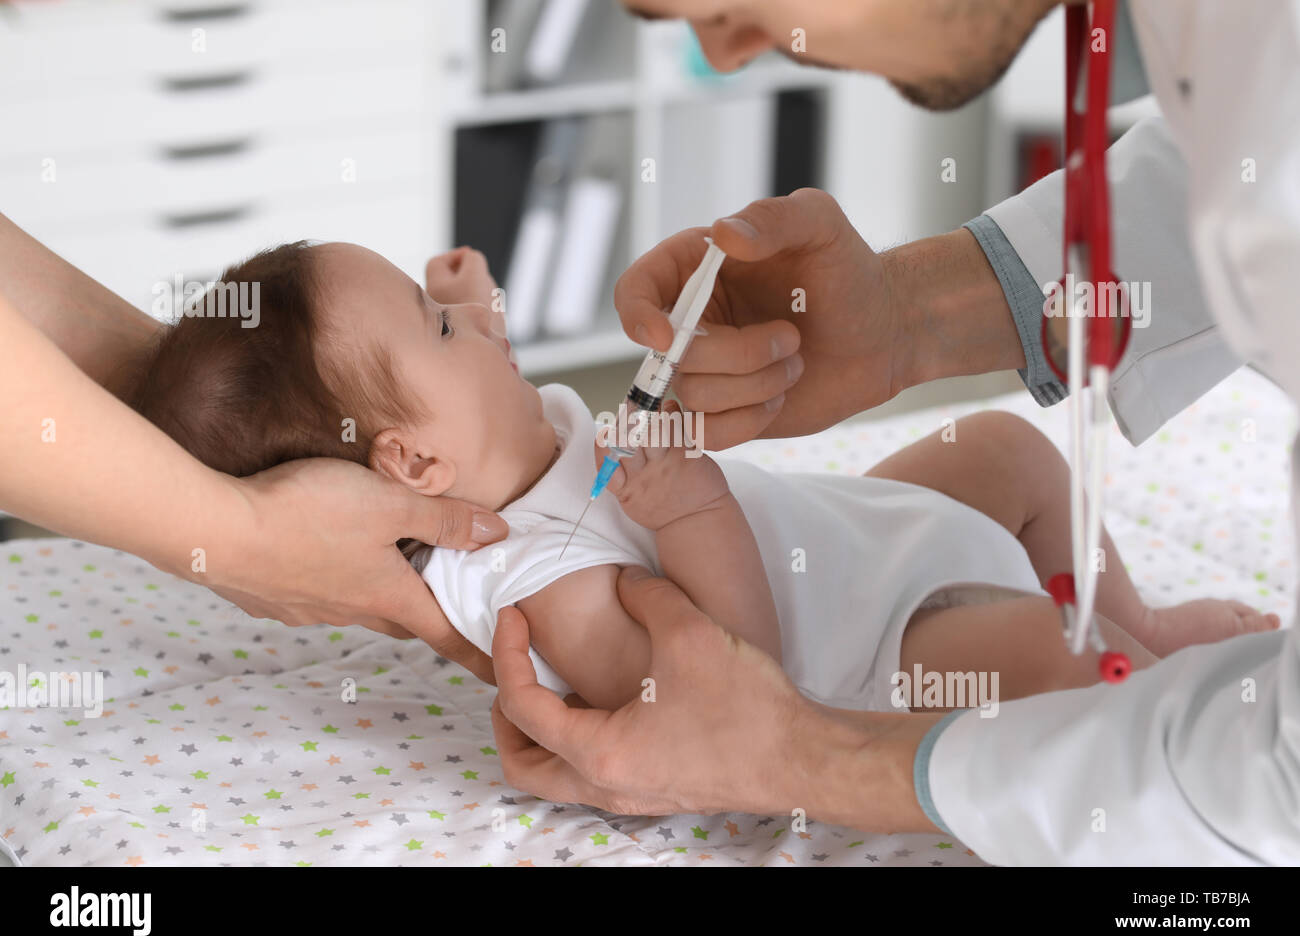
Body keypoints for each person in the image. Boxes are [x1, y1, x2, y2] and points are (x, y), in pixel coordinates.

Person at [490, 0, 1300, 863]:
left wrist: (800, 757)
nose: (721, 57)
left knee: (1038, 563)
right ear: (411, 460)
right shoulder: (517, 565)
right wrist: (909, 318)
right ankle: (1129, 639)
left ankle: (1138, 637)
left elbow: (1268, 796)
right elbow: (1234, 173)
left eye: (727, 2)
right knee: (1037, 565)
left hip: (870, 575)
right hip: (876, 627)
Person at [121, 239, 1280, 717]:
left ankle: (1134, 608)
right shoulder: (542, 587)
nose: (471, 327)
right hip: (883, 648)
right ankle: (1168, 681)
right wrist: (691, 506)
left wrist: (468, 302)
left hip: (869, 534)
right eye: (439, 328)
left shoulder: (500, 439)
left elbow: (474, 388)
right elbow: (732, 683)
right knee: (1057, 661)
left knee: (1005, 448)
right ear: (414, 463)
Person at [0, 211, 509, 682]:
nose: (479, 318)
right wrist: (242, 533)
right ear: (416, 461)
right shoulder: (526, 561)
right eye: (443, 326)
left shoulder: (470, 434)